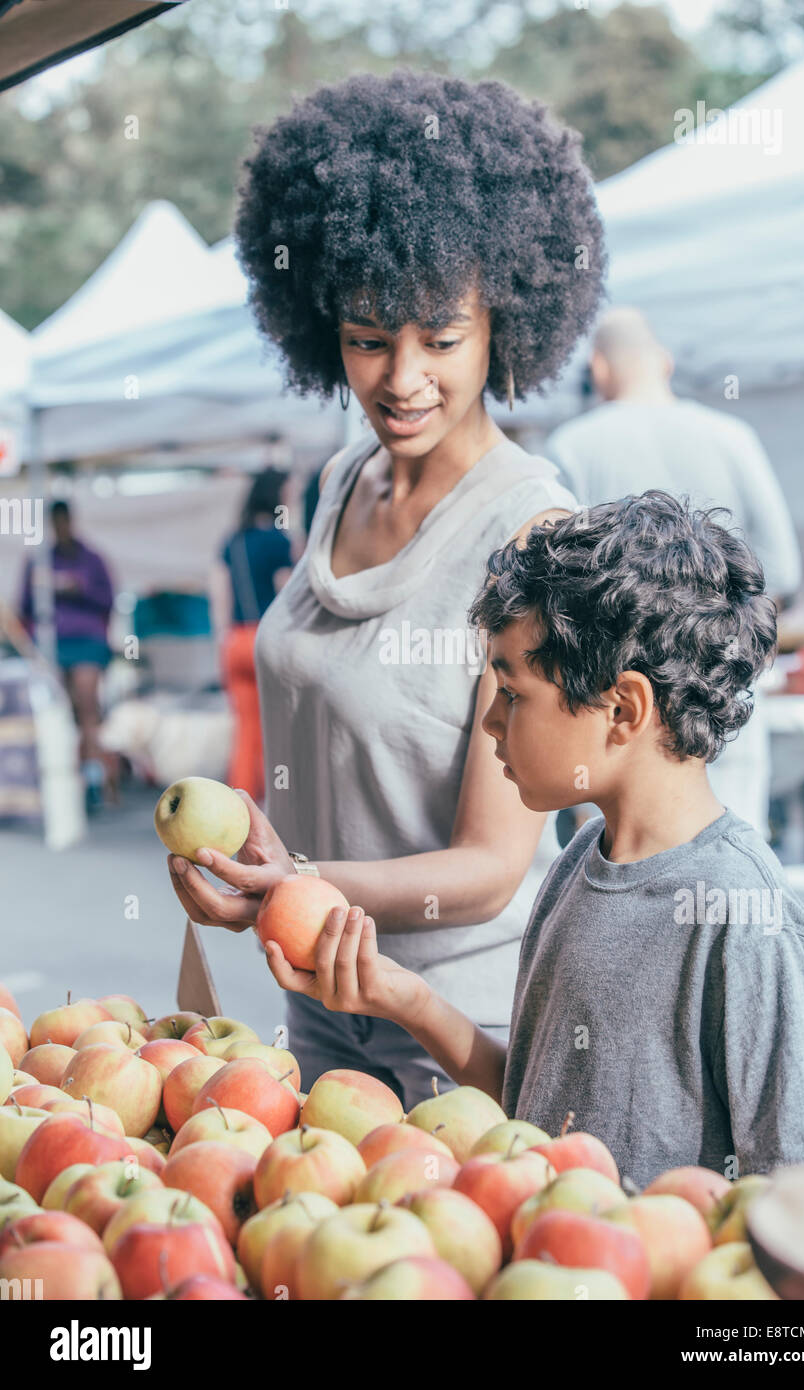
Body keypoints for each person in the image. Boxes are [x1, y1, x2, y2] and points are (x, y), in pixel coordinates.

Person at [166, 68, 606, 1109]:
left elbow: (493, 865)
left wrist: (291, 884)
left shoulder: (528, 528)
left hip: (454, 1019)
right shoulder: (336, 483)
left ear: (504, 319)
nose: (400, 378)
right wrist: (267, 870)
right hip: (316, 987)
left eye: (440, 338)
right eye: (367, 339)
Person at [264, 492, 804, 1188]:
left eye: (512, 694)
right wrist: (403, 997)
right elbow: (531, 1107)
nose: (488, 722)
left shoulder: (747, 922)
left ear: (623, 709)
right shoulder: (580, 860)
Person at [545, 306, 802, 841]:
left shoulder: (571, 446)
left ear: (598, 368)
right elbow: (784, 573)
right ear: (663, 361)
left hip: (612, 711)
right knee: (732, 870)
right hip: (722, 696)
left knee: (617, 881)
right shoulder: (732, 436)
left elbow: (553, 595)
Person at [18, 499, 114, 812]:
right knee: (58, 712)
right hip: (52, 644)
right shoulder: (39, 561)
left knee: (88, 710)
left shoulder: (92, 559)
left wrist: (77, 588)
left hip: (86, 641)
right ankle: (62, 780)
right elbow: (24, 607)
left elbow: (108, 599)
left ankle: (93, 781)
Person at [214, 468, 293, 805]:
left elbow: (219, 595)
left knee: (245, 730)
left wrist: (223, 640)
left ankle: (239, 804)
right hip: (268, 639)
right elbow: (286, 591)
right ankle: (278, 805)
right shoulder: (280, 541)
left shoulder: (232, 541)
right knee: (277, 728)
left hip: (235, 640)